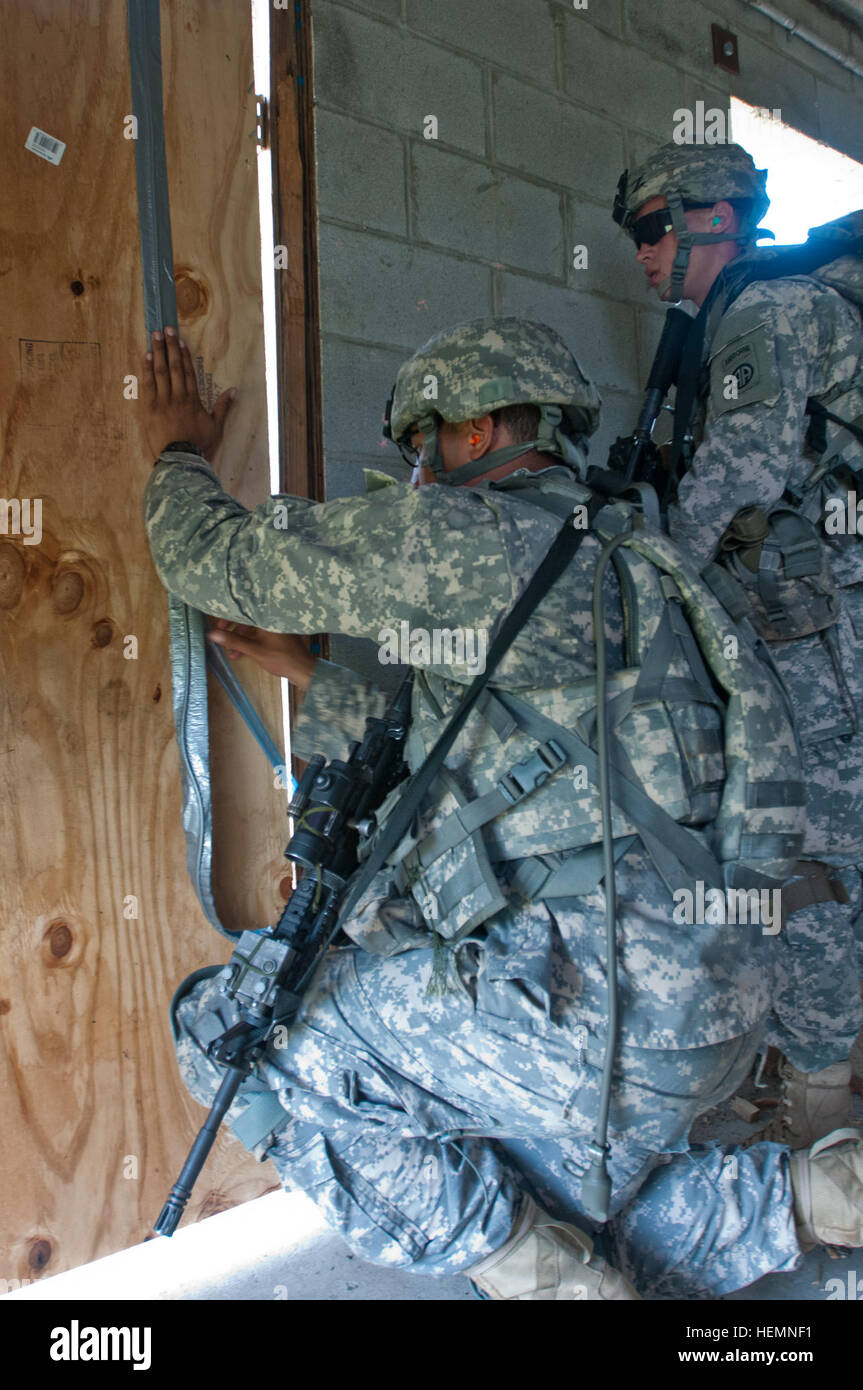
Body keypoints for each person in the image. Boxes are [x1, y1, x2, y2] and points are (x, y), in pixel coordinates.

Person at [138, 317, 863, 1299]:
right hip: (712, 1013)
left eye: (417, 444)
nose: (416, 470)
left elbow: (210, 556)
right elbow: (520, 741)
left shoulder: (467, 536)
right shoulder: (637, 565)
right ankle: (811, 1195)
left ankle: (550, 1285)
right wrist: (313, 677)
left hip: (584, 1020)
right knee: (566, 1190)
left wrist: (174, 446)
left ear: (474, 431)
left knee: (232, 1025)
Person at [612, 143, 863, 1146]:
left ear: (709, 218)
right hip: (808, 630)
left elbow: (740, 473)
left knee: (815, 869)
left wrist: (641, 571)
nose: (639, 257)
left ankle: (821, 1130)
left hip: (821, 642)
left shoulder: (765, 311)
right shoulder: (740, 317)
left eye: (648, 230)